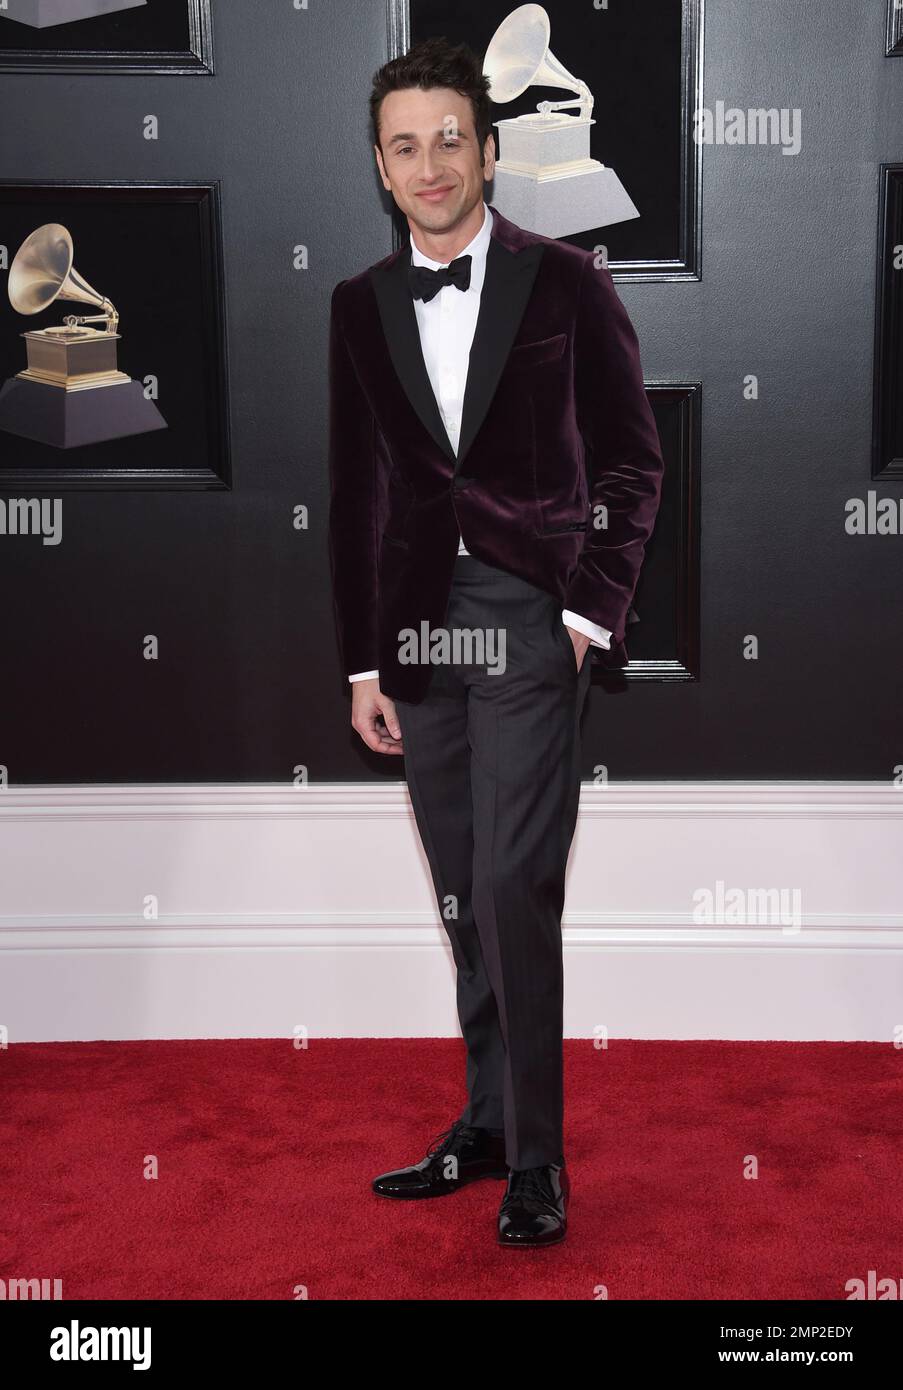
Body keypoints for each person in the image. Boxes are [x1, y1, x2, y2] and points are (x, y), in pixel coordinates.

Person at [327, 36, 664, 1247]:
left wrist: (582, 615)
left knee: (518, 888)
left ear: (487, 149)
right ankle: (481, 1121)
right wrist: (364, 660)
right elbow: (359, 487)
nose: (429, 165)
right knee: (468, 888)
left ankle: (538, 1156)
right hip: (419, 632)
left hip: (527, 619)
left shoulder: (567, 280)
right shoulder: (358, 302)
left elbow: (633, 461)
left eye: (449, 140)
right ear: (381, 164)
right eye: (405, 145)